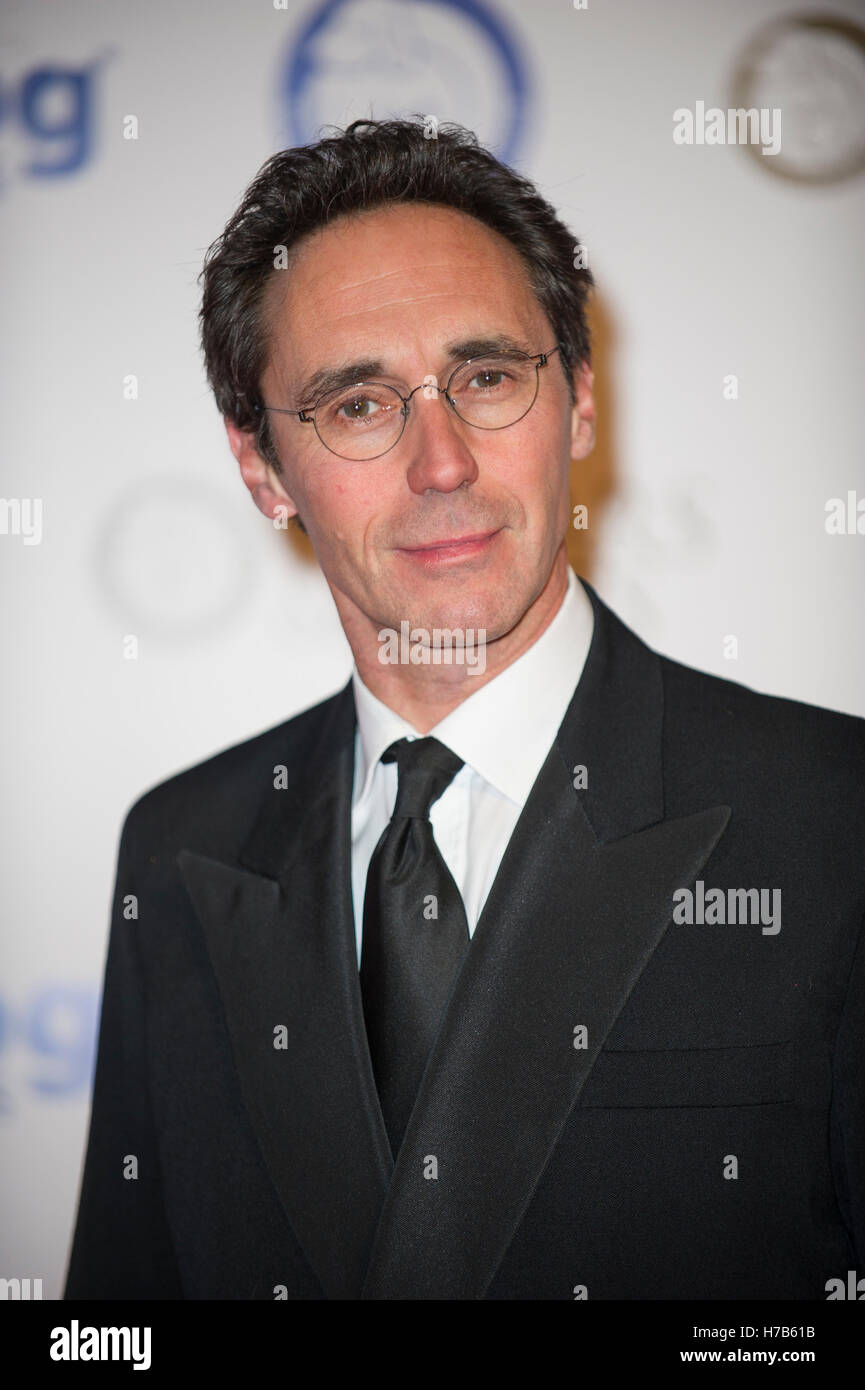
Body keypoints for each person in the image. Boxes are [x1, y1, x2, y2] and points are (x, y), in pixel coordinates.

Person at [65, 117, 865, 1301]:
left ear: (579, 403)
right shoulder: (182, 848)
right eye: (358, 404)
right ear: (260, 470)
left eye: (487, 377)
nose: (441, 462)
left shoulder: (833, 815)